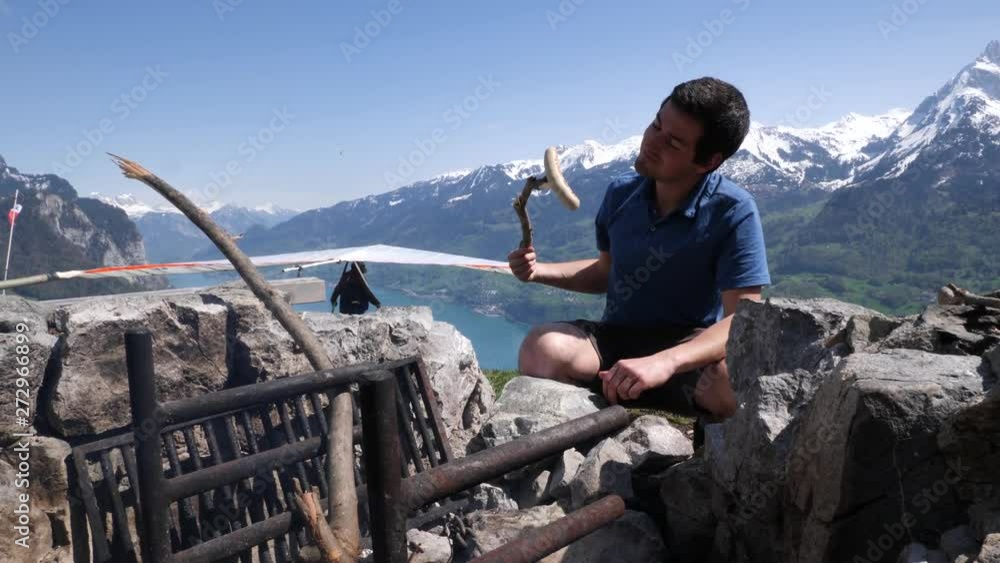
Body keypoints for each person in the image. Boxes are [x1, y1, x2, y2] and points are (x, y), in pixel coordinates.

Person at [508, 77, 769, 429]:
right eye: (656, 125)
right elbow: (606, 271)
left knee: (732, 381)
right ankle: (597, 419)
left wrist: (665, 361)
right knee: (541, 349)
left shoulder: (733, 210)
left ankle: (701, 451)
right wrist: (539, 271)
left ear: (707, 161)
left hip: (688, 349)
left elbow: (742, 318)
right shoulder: (621, 194)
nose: (651, 143)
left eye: (673, 142)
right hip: (616, 339)